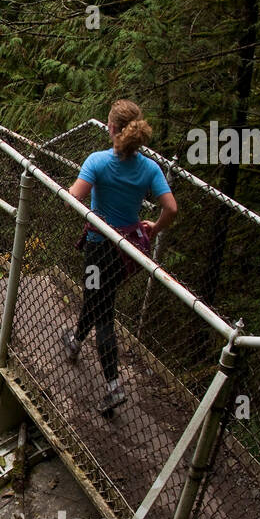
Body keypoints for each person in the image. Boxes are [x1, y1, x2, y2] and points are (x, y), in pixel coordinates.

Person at [61, 100, 177, 415]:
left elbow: (75, 197)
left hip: (99, 248)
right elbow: (172, 208)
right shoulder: (150, 169)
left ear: (110, 128)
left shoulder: (97, 162)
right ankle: (73, 341)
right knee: (98, 297)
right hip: (126, 252)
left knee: (103, 312)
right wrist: (153, 229)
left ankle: (113, 385)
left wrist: (70, 193)